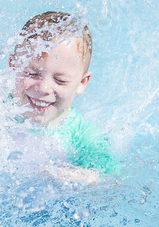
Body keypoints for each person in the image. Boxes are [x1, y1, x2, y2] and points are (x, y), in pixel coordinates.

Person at [8, 11, 119, 183]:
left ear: (82, 83)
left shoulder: (82, 137)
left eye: (60, 80)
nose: (43, 88)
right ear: (13, 66)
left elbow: (109, 177)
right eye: (31, 73)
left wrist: (76, 178)